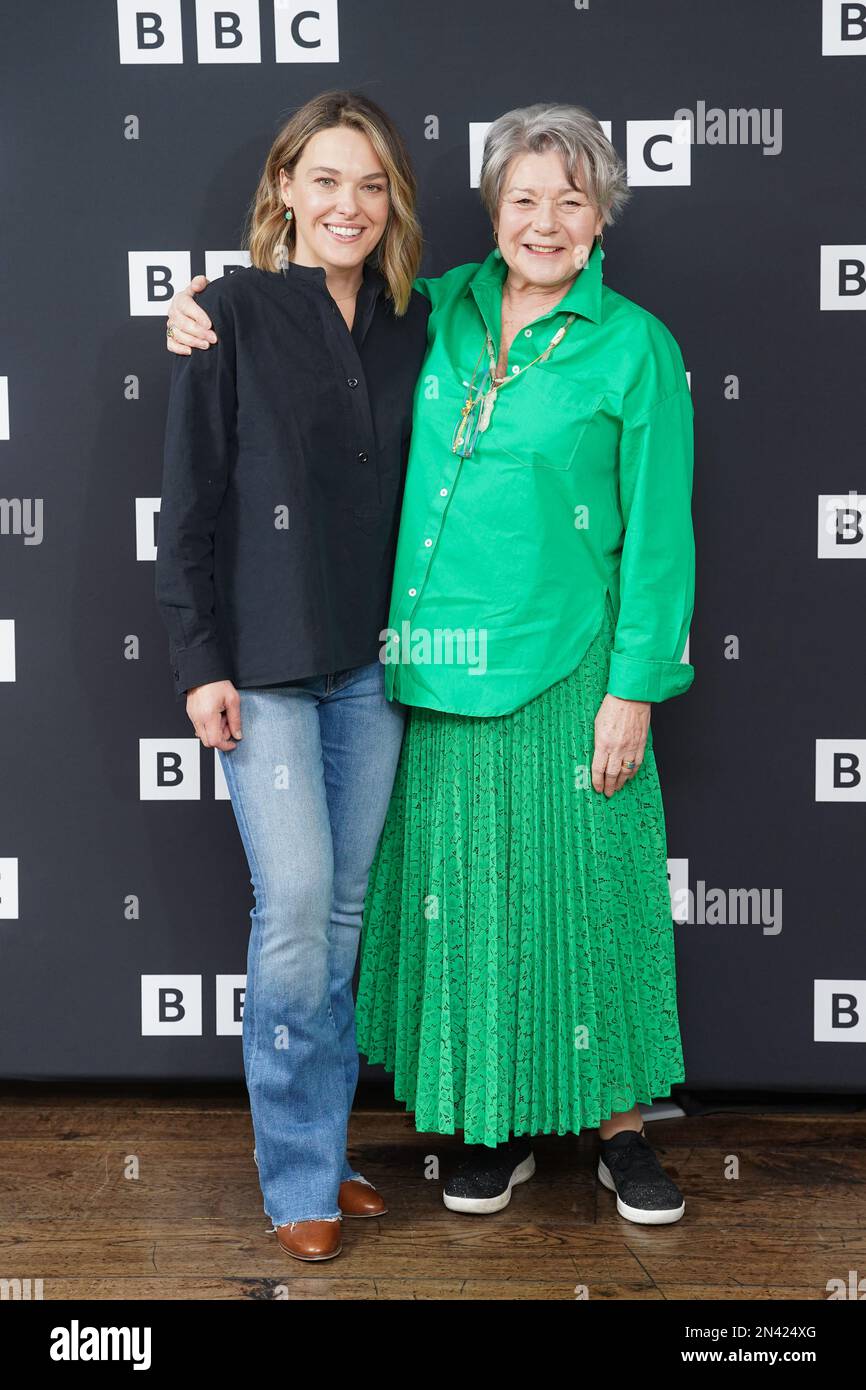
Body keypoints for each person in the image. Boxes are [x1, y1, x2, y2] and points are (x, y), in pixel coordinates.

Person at [167, 101, 696, 1230]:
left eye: (568, 199)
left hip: (565, 669)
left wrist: (635, 685)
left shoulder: (629, 343)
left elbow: (659, 533)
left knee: (581, 899)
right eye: (521, 198)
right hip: (431, 669)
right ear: (489, 212)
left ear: (601, 215)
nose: (544, 221)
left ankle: (618, 1128)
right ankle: (470, 1130)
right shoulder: (442, 308)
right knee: (435, 911)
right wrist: (200, 307)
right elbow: (290, 319)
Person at [155, 89, 429, 1262]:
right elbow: (189, 508)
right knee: (299, 909)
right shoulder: (226, 316)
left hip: (374, 670)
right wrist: (197, 661)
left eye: (369, 184)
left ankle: (323, 1149)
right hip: (261, 672)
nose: (347, 204)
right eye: (325, 180)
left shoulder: (424, 322)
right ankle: (295, 1181)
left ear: (391, 202)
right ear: (283, 189)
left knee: (346, 917)